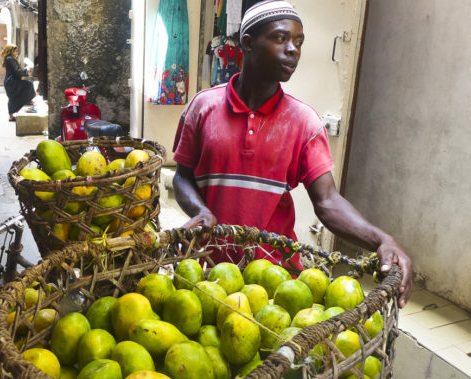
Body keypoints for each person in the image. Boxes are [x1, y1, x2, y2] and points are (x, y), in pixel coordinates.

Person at [172, 0, 413, 307]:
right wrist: (199, 211)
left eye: (299, 42)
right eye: (280, 38)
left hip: (277, 280)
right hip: (209, 273)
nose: (293, 50)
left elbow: (327, 202)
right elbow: (182, 176)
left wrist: (382, 240)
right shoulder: (202, 108)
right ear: (247, 42)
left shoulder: (304, 122)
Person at [1, 44, 36, 122]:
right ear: (11, 51)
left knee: (14, 96)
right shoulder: (10, 59)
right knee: (28, 85)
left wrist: (25, 70)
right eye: (15, 51)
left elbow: (17, 71)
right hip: (12, 82)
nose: (17, 52)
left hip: (12, 81)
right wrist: (27, 69)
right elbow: (17, 72)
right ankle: (27, 101)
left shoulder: (11, 59)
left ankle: (11, 115)